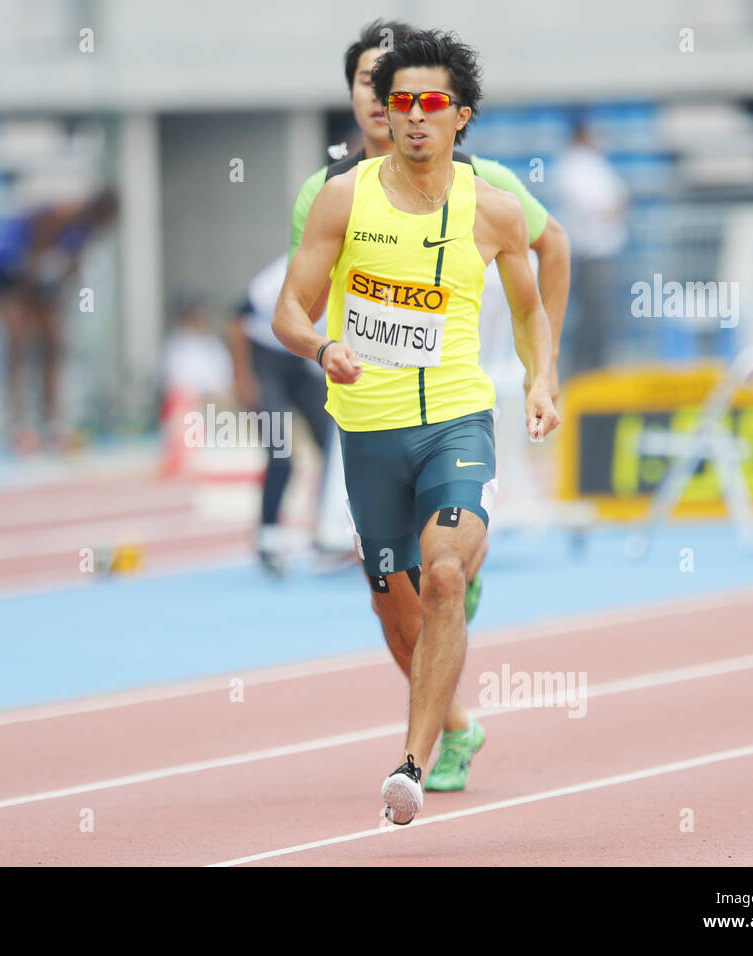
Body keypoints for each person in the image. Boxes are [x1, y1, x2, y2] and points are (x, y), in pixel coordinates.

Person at [273, 29, 560, 825]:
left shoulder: (495, 211)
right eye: (402, 102)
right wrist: (324, 343)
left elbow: (533, 310)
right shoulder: (340, 197)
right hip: (367, 434)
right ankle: (450, 660)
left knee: (441, 578)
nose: (414, 117)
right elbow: (287, 309)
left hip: (455, 424)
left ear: (461, 117)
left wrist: (544, 378)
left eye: (432, 104)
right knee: (395, 602)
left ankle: (412, 759)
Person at [228, 254, 350, 574]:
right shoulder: (290, 268)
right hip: (265, 360)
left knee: (335, 446)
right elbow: (238, 319)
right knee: (281, 451)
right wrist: (243, 378)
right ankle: (269, 538)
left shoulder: (355, 273)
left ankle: (328, 530)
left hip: (300, 362)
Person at [0, 190, 116, 453]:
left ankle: (53, 423)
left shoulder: (87, 232)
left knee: (54, 344)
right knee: (18, 343)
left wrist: (54, 312)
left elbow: (69, 275)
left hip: (33, 278)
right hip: (2, 268)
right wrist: (35, 303)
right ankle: (19, 425)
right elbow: (29, 261)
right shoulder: (61, 214)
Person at [553, 120, 627, 379]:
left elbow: (618, 199)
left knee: (599, 318)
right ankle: (585, 371)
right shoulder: (573, 165)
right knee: (591, 318)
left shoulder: (592, 163)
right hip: (590, 252)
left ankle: (595, 368)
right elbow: (601, 205)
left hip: (602, 250)